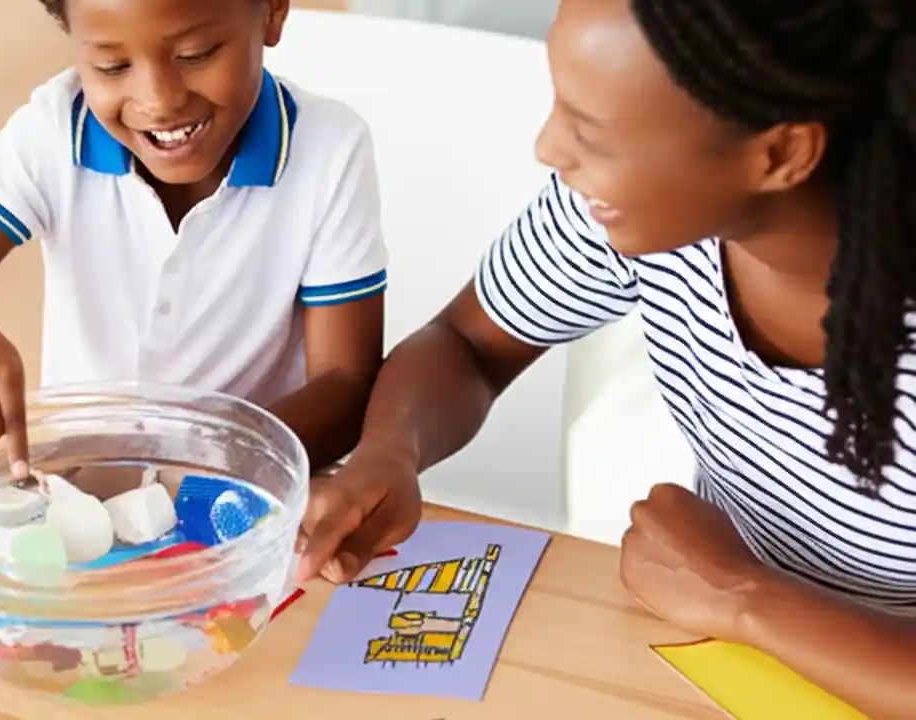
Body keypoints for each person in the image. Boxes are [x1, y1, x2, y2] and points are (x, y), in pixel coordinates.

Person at [298, 0, 916, 715]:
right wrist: (390, 453)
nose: (549, 149)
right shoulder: (637, 216)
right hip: (704, 658)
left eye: (590, 132)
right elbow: (467, 343)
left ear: (779, 154)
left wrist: (743, 597)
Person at [0, 0, 388, 479]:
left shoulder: (328, 150)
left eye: (195, 53)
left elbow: (346, 385)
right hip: (79, 491)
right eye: (112, 66)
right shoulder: (52, 132)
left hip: (244, 497)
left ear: (272, 11)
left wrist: (208, 466)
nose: (158, 100)